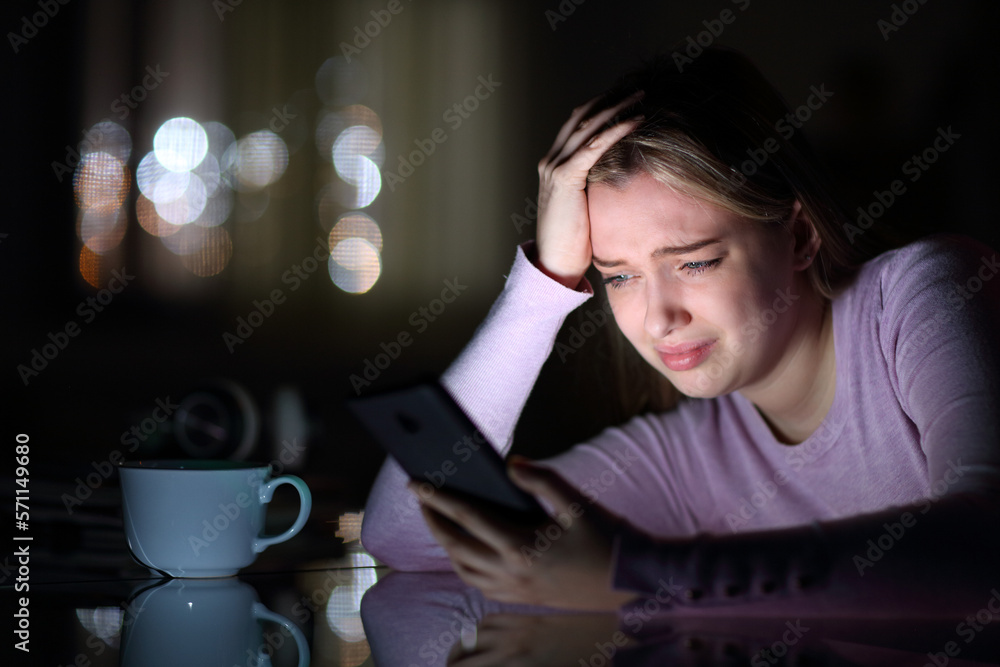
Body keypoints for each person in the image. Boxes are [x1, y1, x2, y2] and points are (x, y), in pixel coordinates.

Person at [360, 47, 1000, 613]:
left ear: (799, 235)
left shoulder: (925, 293)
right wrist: (544, 285)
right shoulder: (688, 457)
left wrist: (640, 575)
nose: (659, 319)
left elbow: (984, 543)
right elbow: (405, 538)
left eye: (694, 261)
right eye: (618, 277)